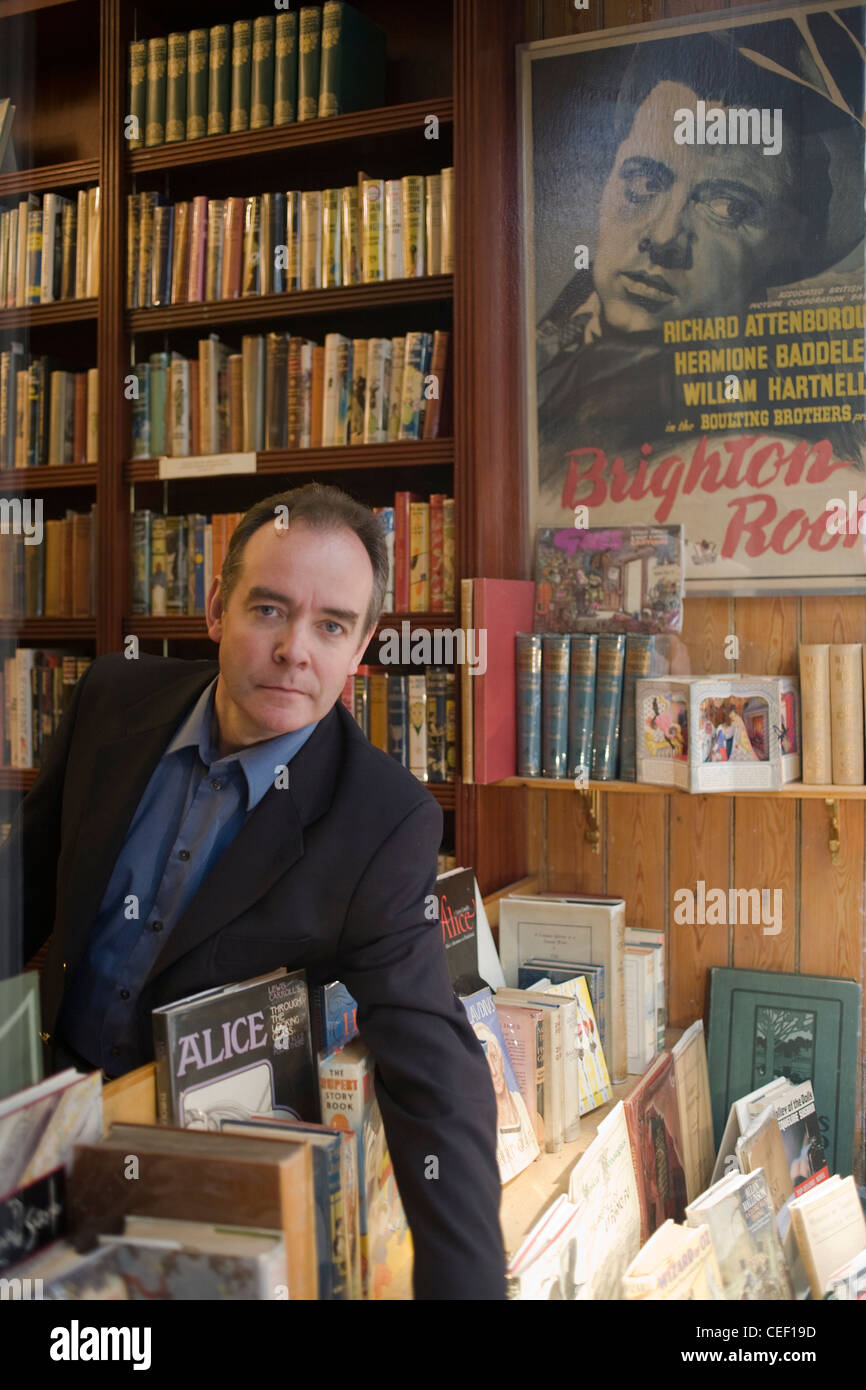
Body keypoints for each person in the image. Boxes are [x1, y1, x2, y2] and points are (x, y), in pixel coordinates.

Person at [0, 482, 506, 1300]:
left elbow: (433, 1070)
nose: (294, 650)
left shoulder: (381, 822)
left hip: (195, 1177)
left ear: (362, 644)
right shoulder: (109, 700)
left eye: (331, 626)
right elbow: (15, 895)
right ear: (215, 609)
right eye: (268, 610)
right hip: (43, 1120)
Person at [536, 27, 864, 474]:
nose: (665, 236)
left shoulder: (786, 437)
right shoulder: (544, 344)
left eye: (727, 206)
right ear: (607, 180)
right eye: (643, 184)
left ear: (789, 247)